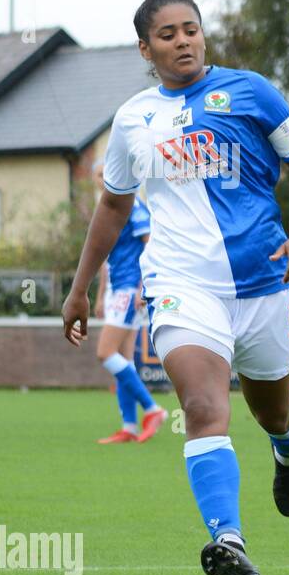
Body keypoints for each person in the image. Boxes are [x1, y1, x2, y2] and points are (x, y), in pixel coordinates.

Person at [62, 0, 289, 575]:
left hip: (264, 283)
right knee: (205, 408)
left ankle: (288, 456)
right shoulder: (131, 121)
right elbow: (114, 205)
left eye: (192, 30)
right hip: (181, 283)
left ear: (204, 35)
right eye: (169, 34)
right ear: (145, 48)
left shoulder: (252, 91)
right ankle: (228, 539)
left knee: (272, 411)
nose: (183, 41)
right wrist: (79, 286)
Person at [90, 164, 167, 443]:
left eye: (106, 173)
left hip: (129, 289)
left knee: (104, 352)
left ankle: (152, 408)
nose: (103, 180)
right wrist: (100, 296)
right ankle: (129, 426)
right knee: (123, 359)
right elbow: (102, 257)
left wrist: (142, 287)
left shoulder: (134, 206)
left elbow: (151, 246)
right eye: (98, 175)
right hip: (115, 290)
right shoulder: (107, 211)